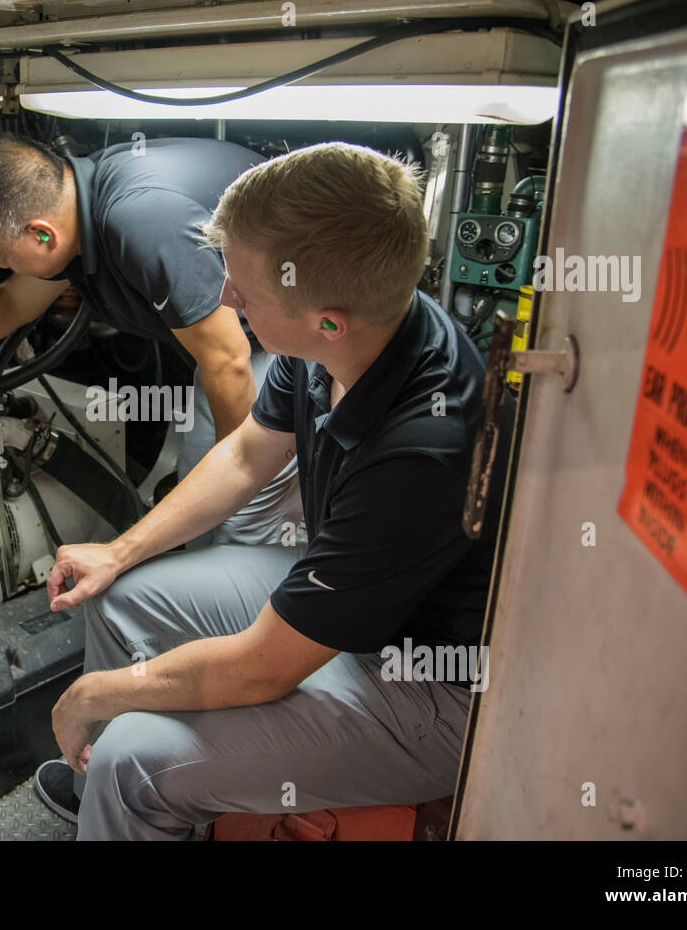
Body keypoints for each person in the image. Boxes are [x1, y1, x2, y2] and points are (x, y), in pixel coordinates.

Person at [35, 141, 516, 839]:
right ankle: (121, 806)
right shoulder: (337, 342)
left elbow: (262, 668)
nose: (225, 297)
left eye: (245, 290)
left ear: (328, 318)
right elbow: (247, 456)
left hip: (430, 681)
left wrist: (92, 694)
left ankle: (127, 789)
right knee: (119, 598)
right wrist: (120, 550)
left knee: (134, 757)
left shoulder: (423, 450)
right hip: (356, 602)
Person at [0, 133, 302, 546]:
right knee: (206, 515)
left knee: (233, 523)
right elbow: (9, 305)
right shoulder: (71, 207)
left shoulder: (137, 218)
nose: (0, 261)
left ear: (42, 233)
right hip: (239, 344)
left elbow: (229, 361)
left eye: (0, 251)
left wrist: (237, 483)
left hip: (297, 339)